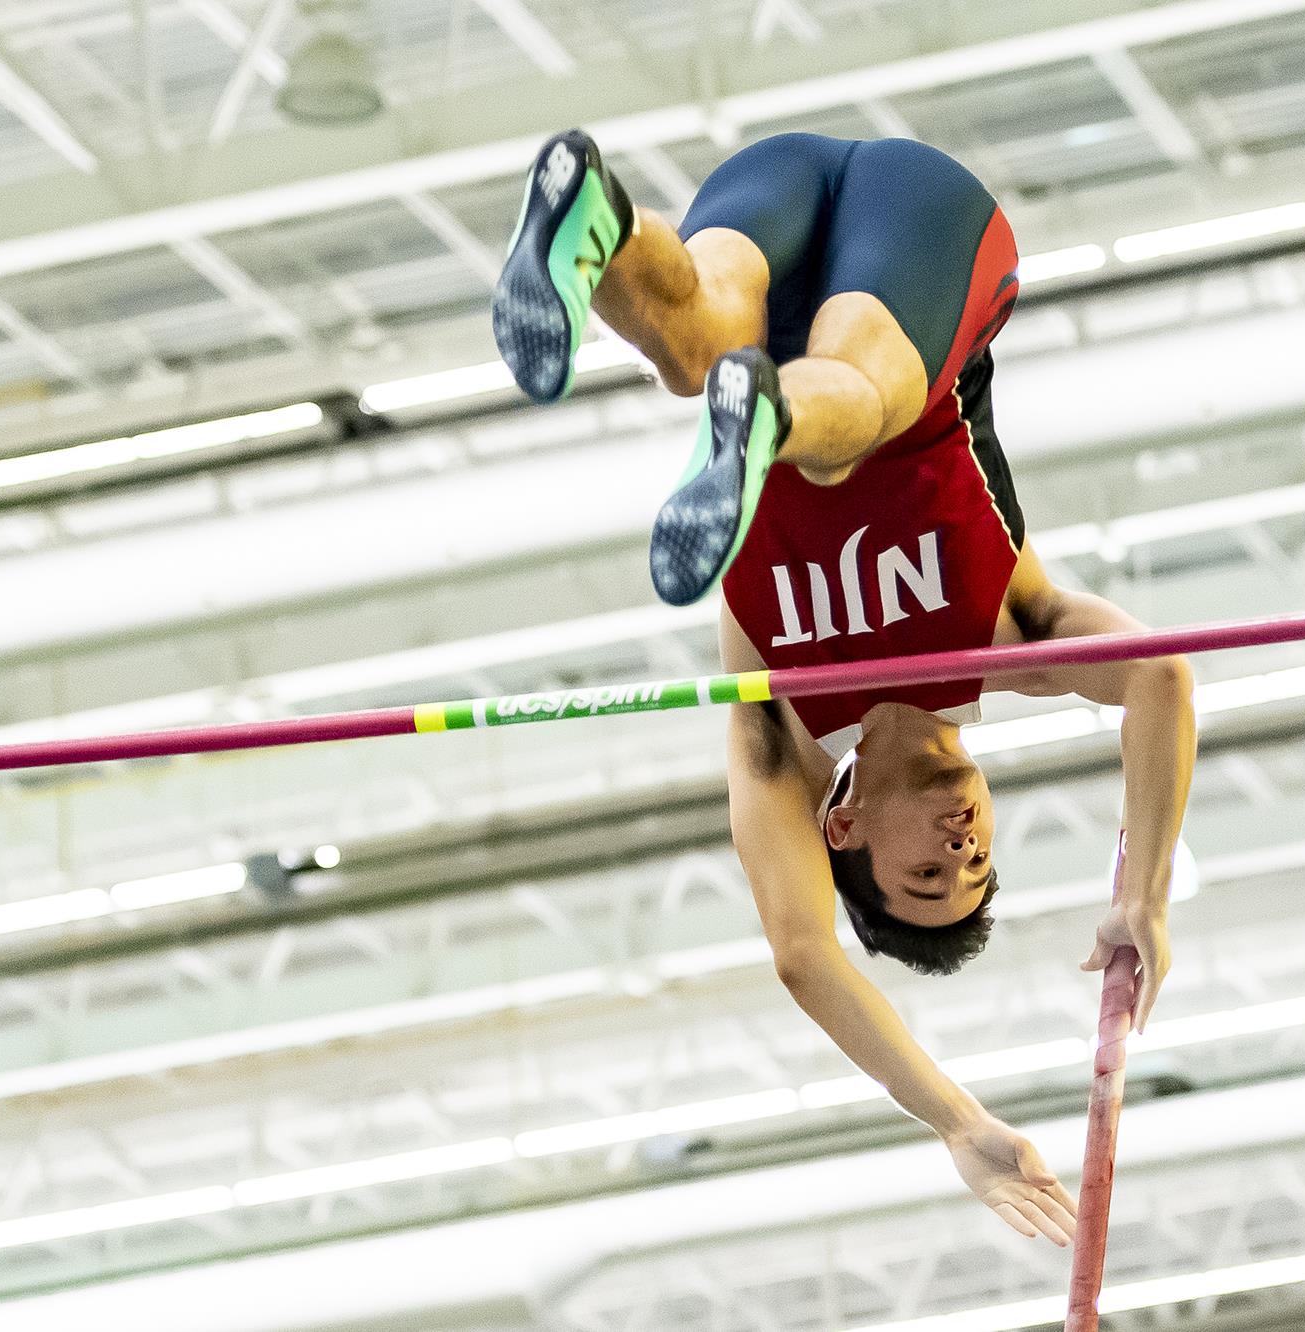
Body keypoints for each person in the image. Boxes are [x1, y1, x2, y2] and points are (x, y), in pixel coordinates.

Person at [493, 130, 1197, 1248]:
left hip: (782, 276)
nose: (962, 842)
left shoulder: (774, 725)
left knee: (691, 338)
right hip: (922, 227)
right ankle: (757, 418)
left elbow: (801, 952)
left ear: (844, 822)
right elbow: (1158, 675)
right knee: (850, 410)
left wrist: (953, 1123)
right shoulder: (1011, 637)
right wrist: (1141, 897)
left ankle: (599, 228)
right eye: (978, 860)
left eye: (926, 869)